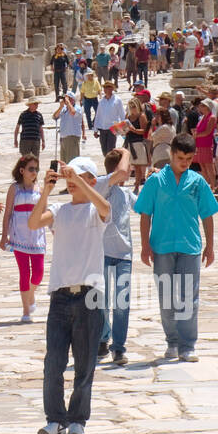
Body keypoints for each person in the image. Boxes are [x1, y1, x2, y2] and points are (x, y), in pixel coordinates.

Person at [28, 157, 112, 434]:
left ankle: (78, 420)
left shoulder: (95, 211)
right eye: (70, 176)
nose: (72, 181)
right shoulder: (60, 210)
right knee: (54, 362)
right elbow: (33, 222)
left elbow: (105, 207)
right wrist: (47, 190)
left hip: (89, 296)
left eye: (80, 176)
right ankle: (55, 419)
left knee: (85, 363)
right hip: (61, 296)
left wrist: (79, 181)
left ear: (90, 180)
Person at [134, 133, 218, 362]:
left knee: (189, 298)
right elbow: (145, 214)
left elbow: (208, 215)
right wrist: (145, 245)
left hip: (190, 246)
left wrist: (210, 246)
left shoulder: (197, 182)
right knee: (166, 298)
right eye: (181, 157)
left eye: (189, 158)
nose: (184, 162)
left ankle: (187, 344)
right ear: (171, 154)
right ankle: (171, 341)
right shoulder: (155, 181)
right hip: (161, 246)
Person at [94, 148, 133, 364]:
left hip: (124, 255)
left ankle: (118, 347)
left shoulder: (126, 194)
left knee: (122, 303)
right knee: (101, 302)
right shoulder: (102, 186)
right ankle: (102, 339)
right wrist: (126, 151)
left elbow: (145, 205)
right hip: (103, 253)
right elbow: (120, 174)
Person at [0, 155, 48, 323]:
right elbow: (7, 213)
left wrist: (54, 228)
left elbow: (46, 212)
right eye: (31, 169)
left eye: (36, 169)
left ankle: (31, 294)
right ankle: (26, 310)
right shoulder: (15, 189)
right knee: (24, 272)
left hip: (36, 235)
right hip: (18, 234)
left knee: (38, 273)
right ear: (22, 171)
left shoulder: (41, 189)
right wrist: (3, 234)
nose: (34, 172)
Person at [123, 96, 150, 191]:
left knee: (137, 166)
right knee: (125, 165)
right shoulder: (128, 116)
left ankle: (137, 186)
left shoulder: (141, 116)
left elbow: (144, 131)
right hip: (128, 142)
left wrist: (134, 130)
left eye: (133, 107)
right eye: (130, 107)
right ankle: (121, 185)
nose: (132, 109)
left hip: (138, 142)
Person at [94, 80, 126, 156]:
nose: (105, 89)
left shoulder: (117, 100)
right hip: (102, 128)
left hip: (113, 128)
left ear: (112, 88)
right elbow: (98, 115)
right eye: (104, 87)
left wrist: (124, 130)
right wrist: (95, 130)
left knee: (111, 150)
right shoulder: (102, 101)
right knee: (104, 151)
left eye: (108, 87)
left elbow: (122, 114)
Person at [52, 92, 86, 163]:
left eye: (68, 98)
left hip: (72, 137)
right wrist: (61, 107)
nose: (66, 100)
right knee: (64, 161)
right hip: (63, 138)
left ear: (72, 99)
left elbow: (73, 113)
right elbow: (55, 116)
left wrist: (68, 103)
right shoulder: (64, 109)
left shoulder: (78, 108)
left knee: (71, 161)